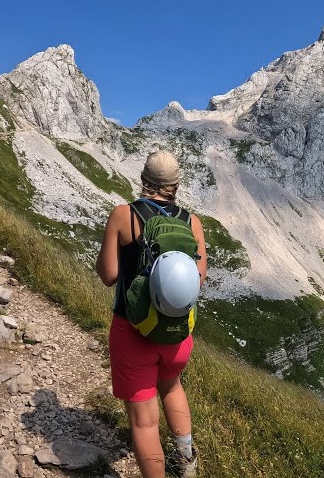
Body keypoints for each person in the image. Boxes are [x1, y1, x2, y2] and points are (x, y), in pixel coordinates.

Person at [96, 150, 207, 478]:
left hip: (132, 333)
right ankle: (185, 461)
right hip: (177, 334)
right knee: (171, 386)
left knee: (144, 423)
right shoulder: (192, 222)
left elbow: (108, 275)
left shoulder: (124, 215)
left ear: (144, 179)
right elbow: (199, 278)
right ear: (176, 184)